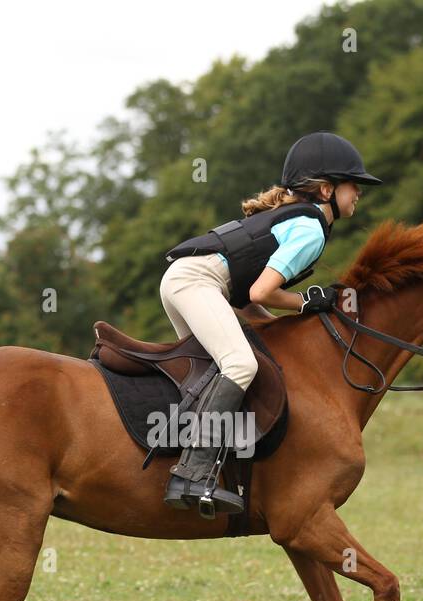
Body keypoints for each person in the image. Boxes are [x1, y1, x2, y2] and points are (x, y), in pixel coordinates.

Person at [159, 131, 382, 515]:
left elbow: (249, 299)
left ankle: (202, 460)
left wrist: (288, 315)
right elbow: (263, 293)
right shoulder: (311, 228)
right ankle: (191, 475)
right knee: (240, 364)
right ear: (326, 189)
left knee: (219, 371)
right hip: (196, 283)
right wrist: (305, 302)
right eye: (353, 185)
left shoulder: (299, 219)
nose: (358, 193)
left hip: (189, 281)